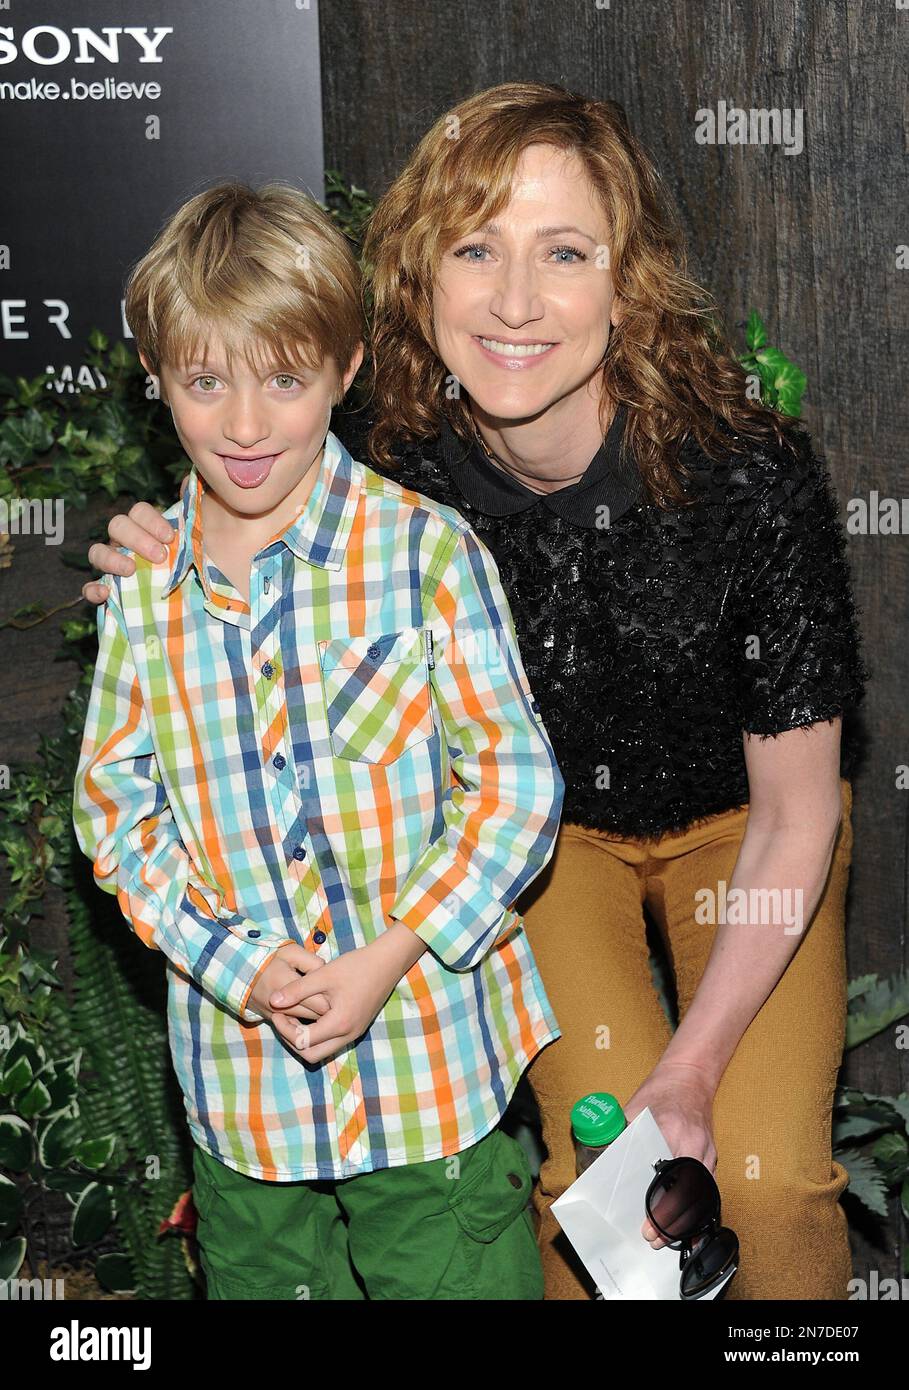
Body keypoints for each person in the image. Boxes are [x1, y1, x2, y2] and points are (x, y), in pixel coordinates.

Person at [82, 85, 870, 1300]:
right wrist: (164, 545)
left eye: (564, 253)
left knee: (756, 1176)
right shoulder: (387, 459)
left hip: (747, 836)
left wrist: (697, 1068)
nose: (513, 302)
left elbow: (797, 812)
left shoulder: (746, 478)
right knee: (605, 1163)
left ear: (629, 280)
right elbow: (247, 483)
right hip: (539, 848)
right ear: (420, 276)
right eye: (475, 249)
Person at [72, 180, 567, 1301]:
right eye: (204, 383)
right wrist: (239, 968)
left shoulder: (425, 556)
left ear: (346, 370)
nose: (245, 428)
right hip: (248, 1113)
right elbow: (115, 814)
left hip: (431, 1074)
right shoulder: (148, 596)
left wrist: (389, 952)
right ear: (158, 381)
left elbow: (516, 790)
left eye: (286, 381)